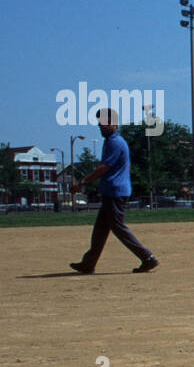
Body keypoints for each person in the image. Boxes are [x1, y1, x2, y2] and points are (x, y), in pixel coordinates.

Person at [68, 109, 158, 273]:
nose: (102, 127)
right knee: (100, 230)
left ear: (115, 123)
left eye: (105, 123)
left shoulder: (115, 142)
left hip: (115, 193)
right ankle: (88, 263)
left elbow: (104, 167)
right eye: (100, 124)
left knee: (118, 227)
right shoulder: (112, 141)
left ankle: (147, 257)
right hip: (113, 191)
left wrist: (82, 182)